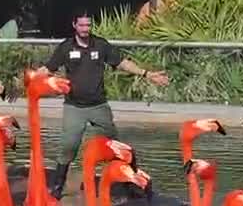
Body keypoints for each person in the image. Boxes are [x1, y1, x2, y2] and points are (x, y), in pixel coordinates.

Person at [43, 12, 170, 193]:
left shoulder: (100, 45)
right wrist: (27, 79)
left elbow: (121, 63)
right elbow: (48, 69)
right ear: (74, 25)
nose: (86, 29)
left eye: (88, 25)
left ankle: (130, 184)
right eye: (82, 26)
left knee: (117, 147)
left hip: (98, 106)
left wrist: (147, 74)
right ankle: (56, 189)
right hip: (74, 107)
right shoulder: (66, 47)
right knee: (68, 146)